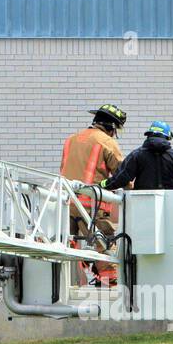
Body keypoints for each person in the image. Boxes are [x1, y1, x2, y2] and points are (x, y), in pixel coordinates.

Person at [61, 103, 126, 284]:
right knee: (105, 248)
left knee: (68, 247)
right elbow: (123, 174)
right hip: (91, 207)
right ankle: (110, 289)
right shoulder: (107, 142)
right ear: (111, 127)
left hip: (67, 204)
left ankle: (66, 286)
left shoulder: (71, 140)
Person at [101, 120, 173, 190]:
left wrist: (101, 185)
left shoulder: (136, 155)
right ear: (167, 137)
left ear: (149, 135)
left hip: (143, 206)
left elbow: (121, 179)